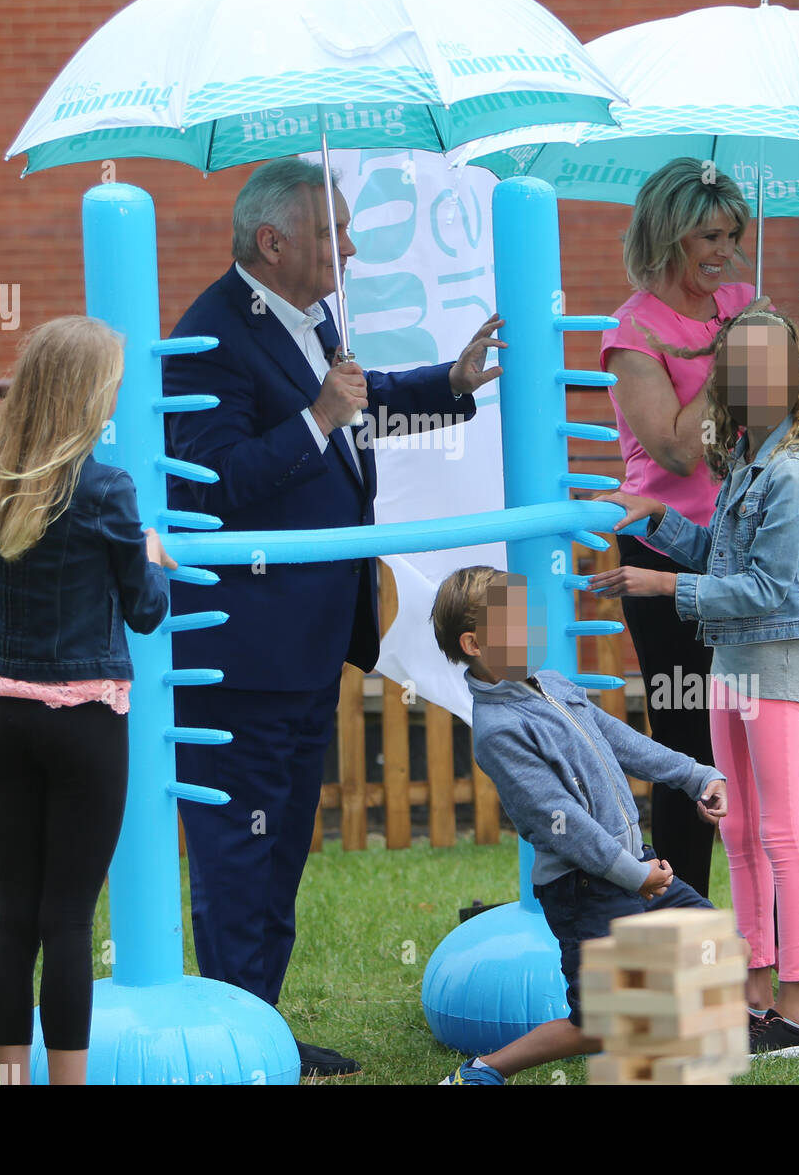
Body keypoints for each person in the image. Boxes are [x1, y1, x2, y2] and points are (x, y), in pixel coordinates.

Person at [161, 156, 503, 1080]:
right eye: (332, 233)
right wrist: (315, 417)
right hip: (238, 650)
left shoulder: (310, 318)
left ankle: (261, 1030)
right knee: (240, 849)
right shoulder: (206, 338)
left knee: (280, 847)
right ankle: (239, 1036)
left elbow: (362, 400)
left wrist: (451, 381)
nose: (350, 248)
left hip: (308, 643)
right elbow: (213, 487)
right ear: (272, 242)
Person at [601, 157, 799, 1011]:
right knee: (692, 761)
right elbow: (672, 446)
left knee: (784, 773)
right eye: (713, 237)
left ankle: (785, 966)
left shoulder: (746, 309)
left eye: (735, 237)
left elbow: (790, 396)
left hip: (753, 556)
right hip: (673, 556)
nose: (729, 254)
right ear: (672, 234)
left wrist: (748, 354)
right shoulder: (634, 331)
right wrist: (732, 364)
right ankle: (691, 958)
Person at [0, 315, 175, 1086]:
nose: (115, 391)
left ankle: (12, 1080)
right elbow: (145, 610)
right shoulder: (108, 490)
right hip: (84, 720)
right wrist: (148, 549)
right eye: (109, 380)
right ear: (84, 394)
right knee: (69, 918)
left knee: (16, 913)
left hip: (5, 716)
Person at [429, 566, 729, 1086]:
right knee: (598, 1025)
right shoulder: (500, 730)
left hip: (631, 865)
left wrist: (695, 775)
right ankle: (484, 1071)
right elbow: (558, 824)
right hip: (586, 886)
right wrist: (633, 876)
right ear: (475, 642)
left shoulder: (552, 685)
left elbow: (620, 739)